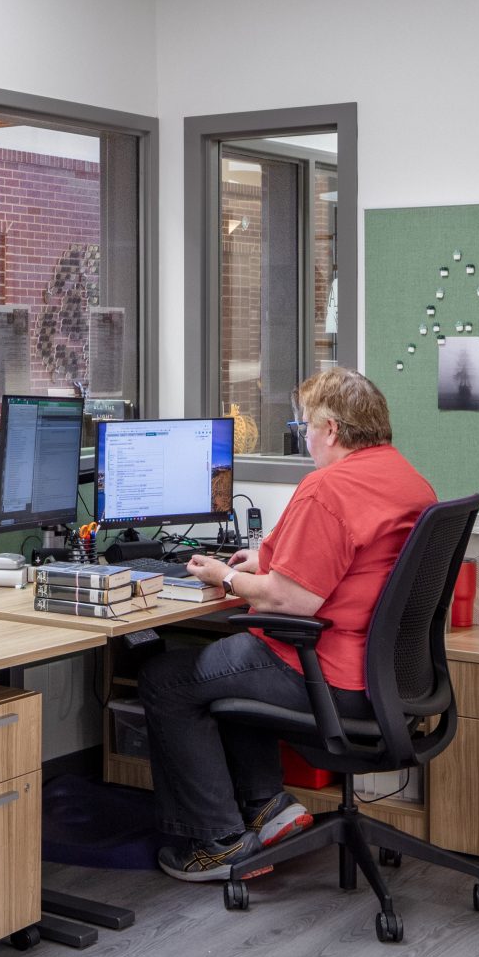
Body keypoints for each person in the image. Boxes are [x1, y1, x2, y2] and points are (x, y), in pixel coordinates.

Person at [138, 368, 437, 881]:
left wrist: (225, 578)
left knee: (167, 679)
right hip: (389, 676)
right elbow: (349, 564)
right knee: (225, 669)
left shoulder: (328, 487)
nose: (305, 439)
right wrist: (263, 562)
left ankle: (220, 843)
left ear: (332, 430)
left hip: (330, 672)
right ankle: (266, 808)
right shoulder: (406, 479)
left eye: (305, 428)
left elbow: (290, 599)